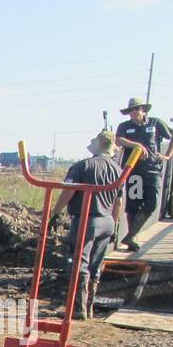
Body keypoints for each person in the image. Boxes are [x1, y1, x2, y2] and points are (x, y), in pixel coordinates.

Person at [51, 130, 121, 320]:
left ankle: (78, 309)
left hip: (86, 221)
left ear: (96, 145)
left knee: (79, 263)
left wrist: (55, 213)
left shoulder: (83, 166)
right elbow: (118, 202)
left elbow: (68, 192)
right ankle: (89, 308)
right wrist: (114, 225)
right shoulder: (117, 169)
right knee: (95, 265)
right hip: (107, 220)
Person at [114, 97, 173, 250]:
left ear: (143, 109)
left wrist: (168, 155)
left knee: (151, 204)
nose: (134, 112)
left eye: (137, 108)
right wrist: (136, 145)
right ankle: (133, 238)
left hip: (152, 170)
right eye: (131, 109)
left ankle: (131, 235)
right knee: (133, 205)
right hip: (133, 171)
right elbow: (118, 140)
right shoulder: (124, 126)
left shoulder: (155, 123)